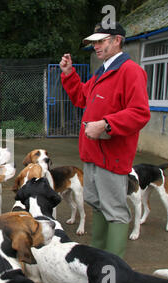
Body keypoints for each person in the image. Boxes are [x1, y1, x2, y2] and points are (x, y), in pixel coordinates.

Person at [59, 22, 150, 258]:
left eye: (101, 41)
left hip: (112, 155)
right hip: (92, 154)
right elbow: (81, 97)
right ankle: (99, 260)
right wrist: (69, 74)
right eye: (94, 42)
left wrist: (108, 124)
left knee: (115, 211)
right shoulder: (103, 71)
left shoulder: (131, 71)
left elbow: (140, 113)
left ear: (117, 40)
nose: (95, 46)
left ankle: (113, 269)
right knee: (97, 204)